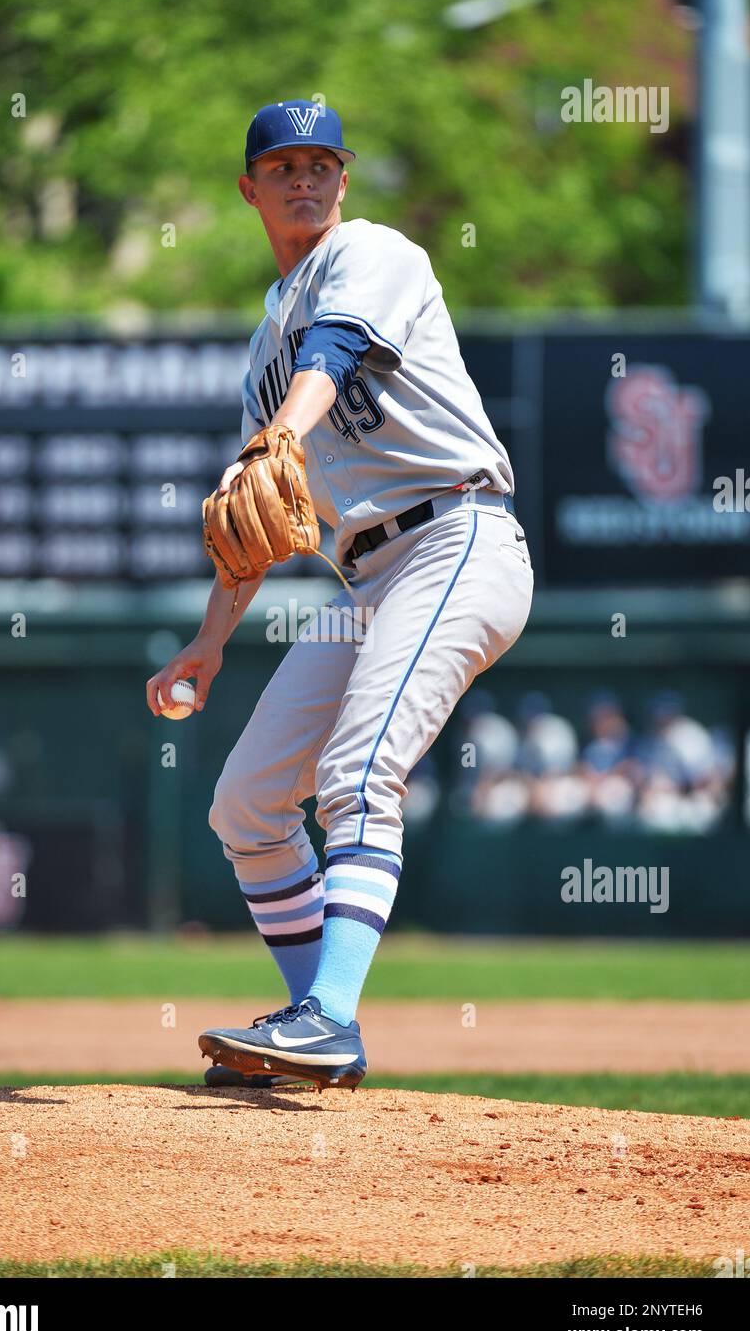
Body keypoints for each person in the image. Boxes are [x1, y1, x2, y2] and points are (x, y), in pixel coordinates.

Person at [146, 99, 534, 1090]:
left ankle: (329, 1017)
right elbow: (259, 522)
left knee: (357, 775)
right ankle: (307, 1021)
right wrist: (207, 643)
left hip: (457, 534)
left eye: (323, 163)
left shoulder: (374, 255)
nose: (306, 180)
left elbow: (335, 354)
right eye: (284, 166)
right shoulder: (261, 347)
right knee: (244, 804)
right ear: (250, 188)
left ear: (344, 180)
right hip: (363, 576)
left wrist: (279, 430)